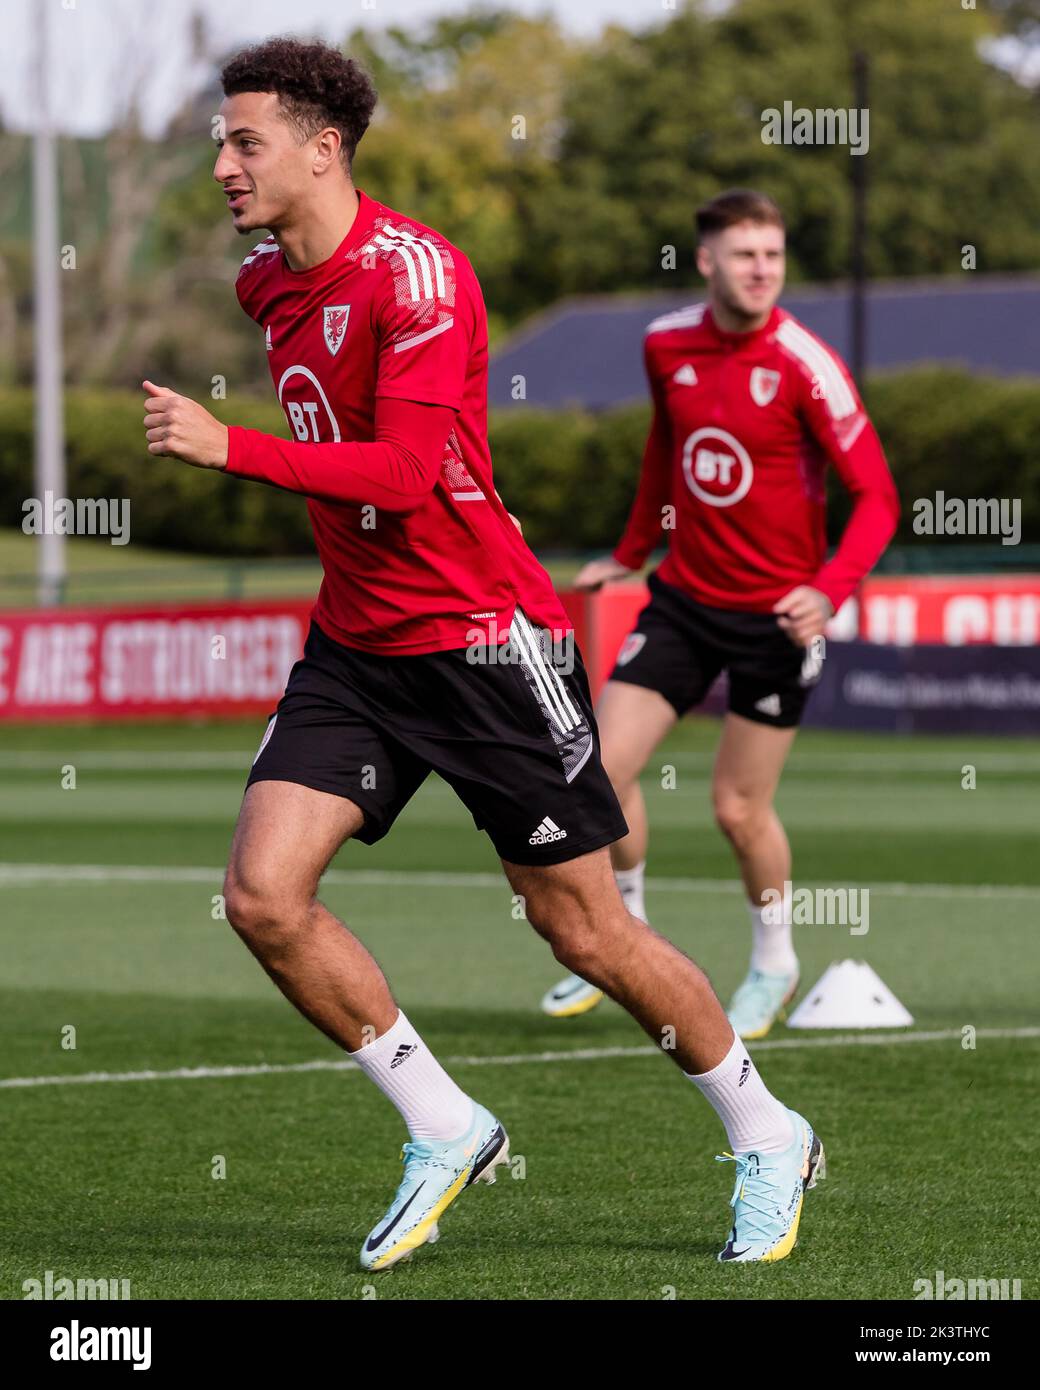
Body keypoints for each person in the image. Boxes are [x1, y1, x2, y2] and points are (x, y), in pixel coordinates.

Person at [142, 46, 823, 1270]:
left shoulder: (421, 276)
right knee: (261, 893)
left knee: (579, 929)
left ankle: (767, 1131)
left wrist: (226, 447)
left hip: (480, 643)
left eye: (244, 141)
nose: (224, 162)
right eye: (221, 140)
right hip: (356, 648)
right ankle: (444, 1123)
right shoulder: (263, 282)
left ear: (321, 149)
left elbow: (404, 477)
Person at [541, 189, 899, 1039]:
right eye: (745, 255)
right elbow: (664, 450)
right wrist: (633, 553)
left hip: (778, 620)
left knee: (738, 811)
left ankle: (774, 962)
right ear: (706, 261)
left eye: (773, 255)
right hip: (684, 602)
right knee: (598, 776)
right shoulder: (665, 343)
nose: (762, 270)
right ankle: (619, 937)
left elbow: (878, 498)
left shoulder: (808, 363)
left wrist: (832, 588)